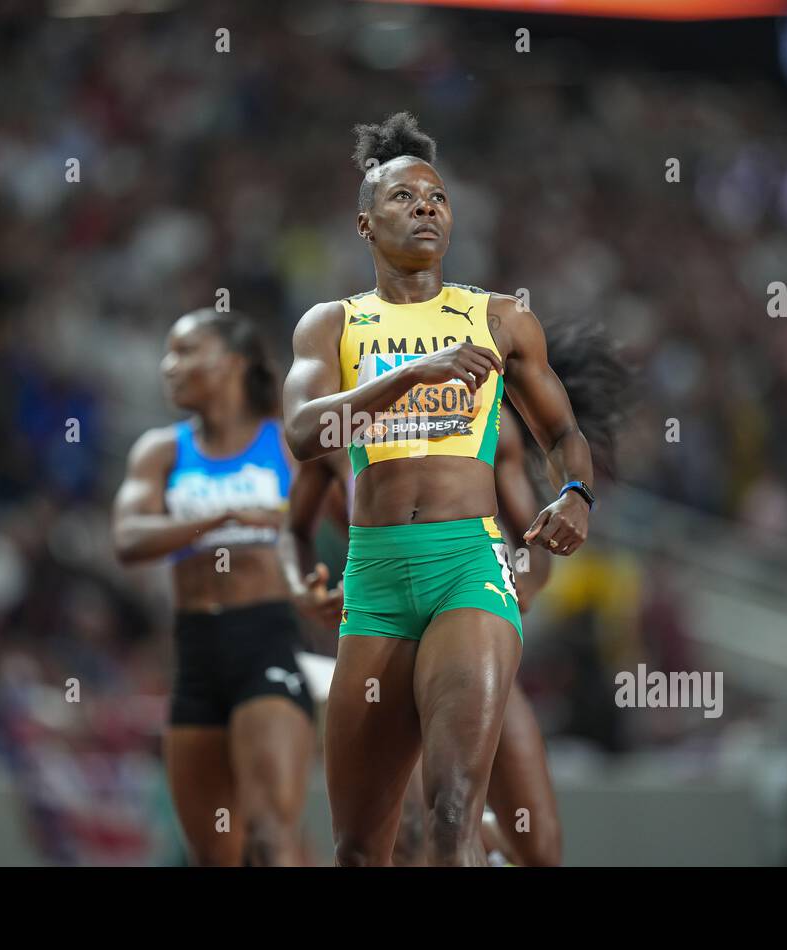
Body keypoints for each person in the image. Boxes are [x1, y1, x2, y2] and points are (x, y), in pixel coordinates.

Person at [282, 112, 599, 866]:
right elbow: (304, 434)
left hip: (467, 564)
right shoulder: (331, 326)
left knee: (453, 807)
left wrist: (579, 493)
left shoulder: (500, 318)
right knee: (361, 847)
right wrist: (410, 375)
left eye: (438, 197)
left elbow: (562, 435)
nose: (426, 206)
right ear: (364, 224)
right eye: (404, 197)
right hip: (376, 578)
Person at [290, 322, 630, 866]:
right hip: (380, 634)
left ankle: (492, 843)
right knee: (399, 840)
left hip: (464, 619)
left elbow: (531, 545)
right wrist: (303, 584)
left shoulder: (488, 426)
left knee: (537, 848)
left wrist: (516, 586)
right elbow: (296, 529)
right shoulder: (345, 431)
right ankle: (479, 842)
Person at [112, 308, 314, 866]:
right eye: (168, 353)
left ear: (232, 363)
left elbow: (354, 520)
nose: (167, 366)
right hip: (196, 655)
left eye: (184, 351)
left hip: (265, 645)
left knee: (271, 836)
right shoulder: (161, 451)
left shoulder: (287, 444)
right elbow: (128, 538)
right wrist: (223, 516)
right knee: (215, 854)